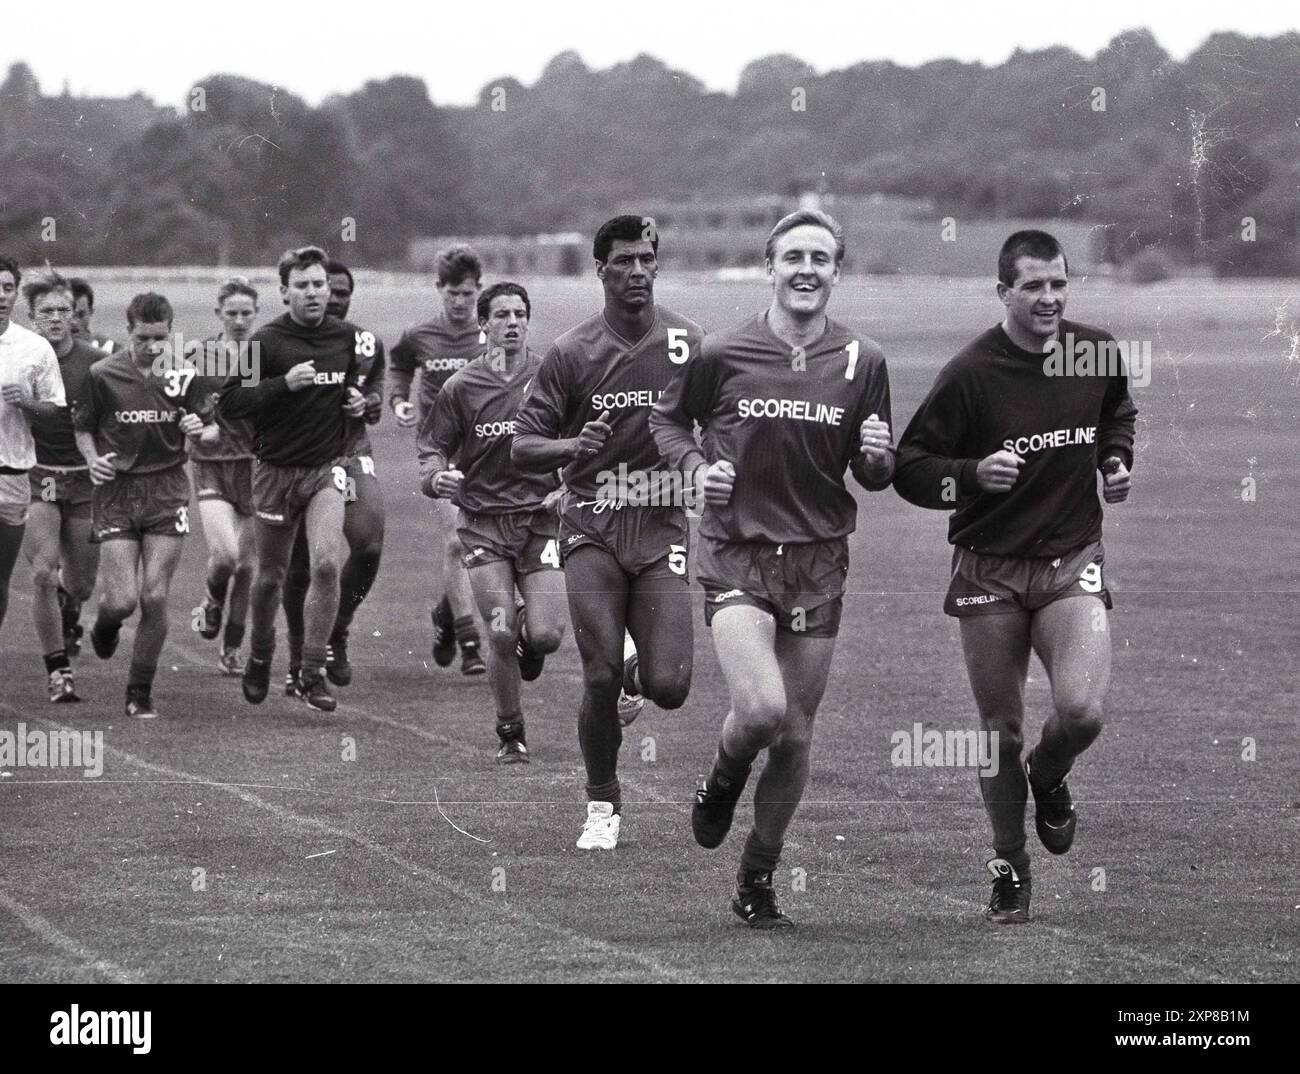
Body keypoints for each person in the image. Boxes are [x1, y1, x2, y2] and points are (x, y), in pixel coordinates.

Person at [651, 210, 895, 927]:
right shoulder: (723, 351)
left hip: (819, 559)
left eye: (822, 258)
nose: (807, 270)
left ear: (837, 272)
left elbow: (873, 470)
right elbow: (668, 422)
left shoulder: (863, 361)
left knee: (795, 732)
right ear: (770, 267)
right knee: (762, 708)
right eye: (794, 257)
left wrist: (879, 459)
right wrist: (697, 468)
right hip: (737, 553)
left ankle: (757, 874)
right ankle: (723, 778)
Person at [893, 230, 1137, 925]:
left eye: (1059, 283)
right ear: (1004, 293)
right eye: (1033, 286)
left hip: (1069, 559)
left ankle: (1049, 776)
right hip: (989, 571)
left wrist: (1114, 460)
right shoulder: (971, 372)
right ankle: (1010, 867)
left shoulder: (1093, 350)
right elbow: (911, 466)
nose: (1050, 297)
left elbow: (1116, 411)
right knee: (997, 731)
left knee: (1082, 712)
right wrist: (971, 475)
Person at [513, 215, 700, 850]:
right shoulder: (571, 352)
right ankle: (602, 804)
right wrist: (572, 443)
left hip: (661, 521)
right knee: (595, 675)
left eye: (648, 259)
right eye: (625, 261)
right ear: (601, 270)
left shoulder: (687, 342)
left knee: (671, 686)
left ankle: (634, 668)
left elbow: (720, 424)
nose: (639, 271)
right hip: (591, 519)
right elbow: (522, 447)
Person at [418, 282, 566, 762]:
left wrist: (569, 483)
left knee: (544, 636)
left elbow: (579, 437)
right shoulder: (461, 386)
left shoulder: (551, 377)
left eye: (520, 313)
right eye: (500, 314)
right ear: (483, 324)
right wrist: (436, 476)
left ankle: (530, 634)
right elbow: (432, 446)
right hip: (484, 523)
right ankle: (511, 733)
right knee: (500, 631)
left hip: (540, 520)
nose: (512, 322)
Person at [218, 246, 366, 713]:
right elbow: (228, 404)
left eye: (319, 284)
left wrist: (360, 406)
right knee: (270, 578)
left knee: (325, 565)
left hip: (326, 470)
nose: (313, 293)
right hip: (274, 473)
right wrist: (284, 384)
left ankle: (310, 670)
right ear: (284, 292)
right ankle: (261, 654)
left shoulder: (346, 338)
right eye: (301, 286)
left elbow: (356, 394)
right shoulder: (266, 342)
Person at [74, 292, 212, 718]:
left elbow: (210, 432)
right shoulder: (102, 374)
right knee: (122, 600)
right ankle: (105, 623)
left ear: (170, 333)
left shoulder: (186, 376)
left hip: (168, 488)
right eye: (142, 338)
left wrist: (199, 427)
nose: (151, 347)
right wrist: (92, 460)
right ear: (127, 331)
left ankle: (139, 691)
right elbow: (83, 428)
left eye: (159, 338)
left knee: (155, 596)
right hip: (117, 492)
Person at [280, 259, 385, 692]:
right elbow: (245, 398)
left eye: (341, 291)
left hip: (351, 453)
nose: (334, 298)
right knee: (301, 564)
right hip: (300, 460)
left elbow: (375, 395)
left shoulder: (366, 343)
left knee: (369, 543)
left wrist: (368, 404)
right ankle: (297, 656)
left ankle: (337, 629)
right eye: (327, 288)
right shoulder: (281, 340)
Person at [388, 245, 486, 676]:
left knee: (482, 543)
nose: (460, 301)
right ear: (439, 290)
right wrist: (398, 401)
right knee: (455, 541)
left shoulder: (491, 335)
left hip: (485, 451)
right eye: (452, 292)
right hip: (439, 452)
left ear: (478, 290)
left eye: (467, 293)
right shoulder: (420, 334)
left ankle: (445, 616)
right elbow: (400, 366)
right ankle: (470, 643)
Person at [19, 271, 103, 700]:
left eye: (63, 310)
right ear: (31, 317)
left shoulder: (95, 364)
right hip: (39, 477)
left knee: (82, 584)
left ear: (75, 315)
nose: (55, 318)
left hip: (86, 482)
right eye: (46, 311)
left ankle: (71, 611)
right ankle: (58, 670)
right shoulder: (19, 359)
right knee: (41, 573)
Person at [190, 277, 259, 675]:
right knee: (226, 556)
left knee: (248, 566)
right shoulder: (198, 355)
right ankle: (212, 601)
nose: (238, 320)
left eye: (245, 313)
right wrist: (199, 424)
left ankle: (231, 650)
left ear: (256, 314)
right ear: (218, 314)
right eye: (230, 313)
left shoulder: (264, 355)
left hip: (254, 465)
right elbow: (179, 399)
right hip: (212, 462)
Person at [0, 256, 66, 646]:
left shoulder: (34, 347)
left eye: (8, 288)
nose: (0, 296)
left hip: (11, 476)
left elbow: (54, 411)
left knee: (0, 580)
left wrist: (26, 401)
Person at [68, 278, 120, 353]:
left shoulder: (109, 348)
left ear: (91, 311)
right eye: (70, 315)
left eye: (81, 315)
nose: (74, 322)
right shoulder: (48, 350)